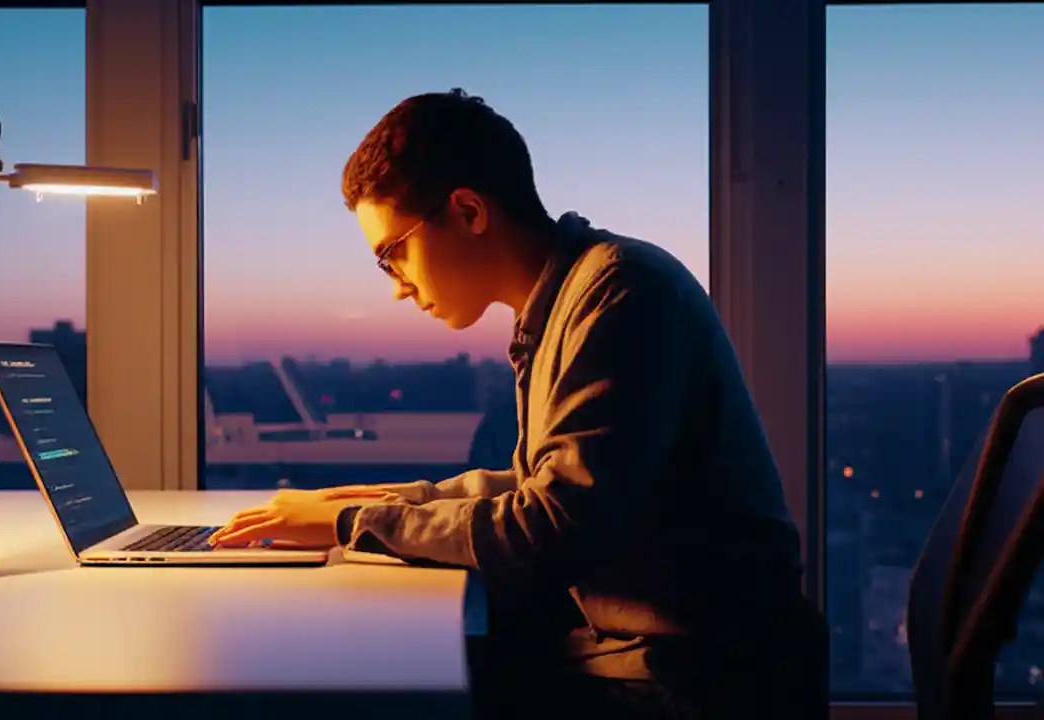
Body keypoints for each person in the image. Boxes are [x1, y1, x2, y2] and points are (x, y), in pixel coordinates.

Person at [209, 89, 825, 718]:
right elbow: (547, 489)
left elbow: (548, 530)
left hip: (696, 680)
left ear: (469, 210)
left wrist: (353, 525)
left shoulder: (620, 294)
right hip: (641, 651)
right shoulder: (564, 299)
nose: (396, 288)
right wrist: (393, 500)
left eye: (391, 254)